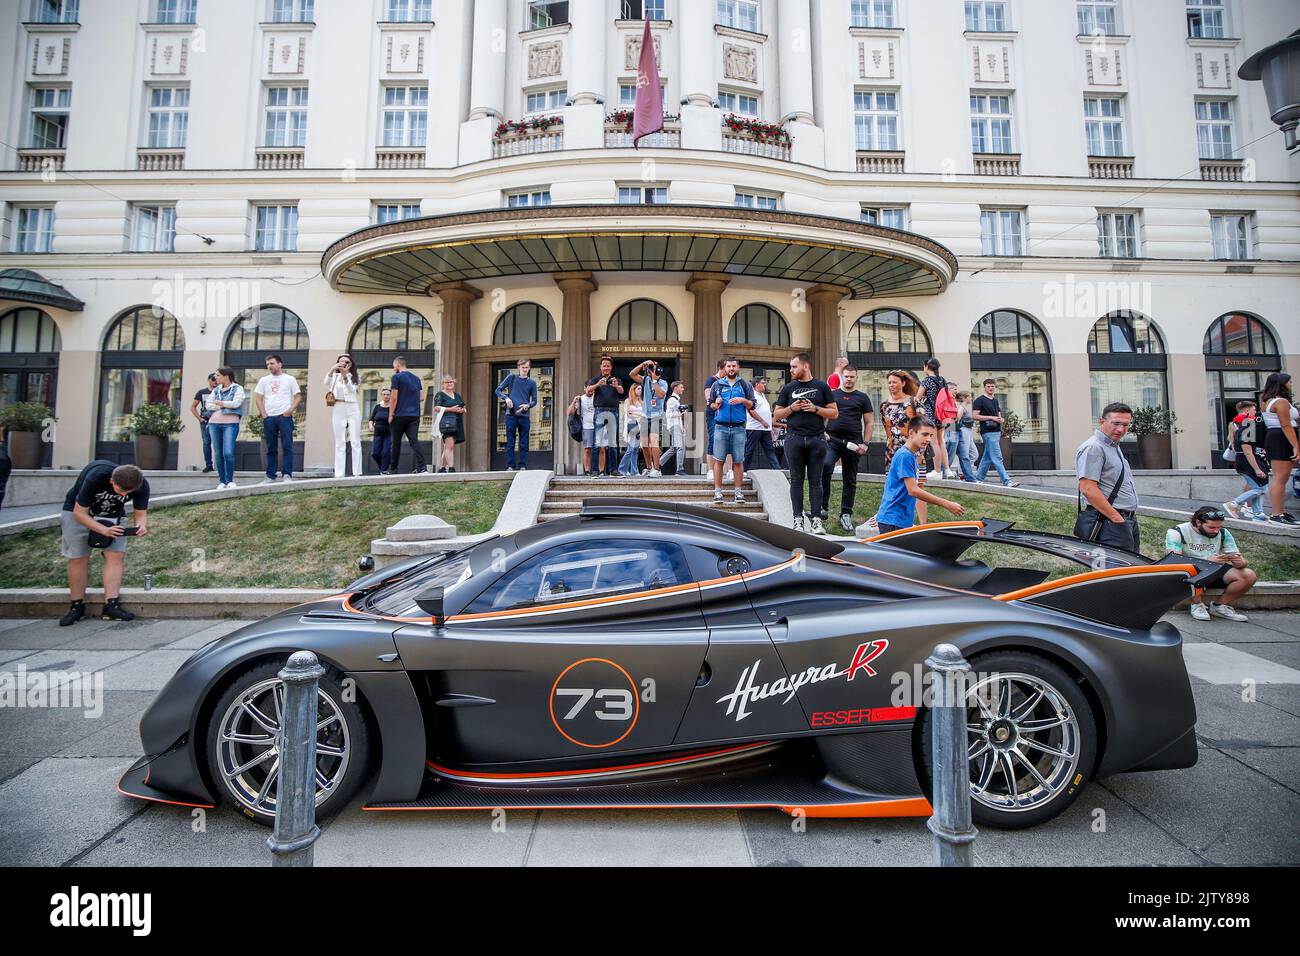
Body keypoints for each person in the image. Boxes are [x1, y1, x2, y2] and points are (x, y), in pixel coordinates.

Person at [58, 461, 150, 626]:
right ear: (112, 481)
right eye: (121, 491)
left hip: (113, 514)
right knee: (79, 557)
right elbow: (79, 513)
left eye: (129, 492)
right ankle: (76, 606)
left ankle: (111, 605)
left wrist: (141, 525)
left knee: (115, 556)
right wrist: (103, 530)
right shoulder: (96, 477)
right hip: (79, 511)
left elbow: (141, 513)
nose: (124, 496)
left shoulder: (141, 484)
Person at [773, 352, 837, 533]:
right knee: (796, 480)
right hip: (794, 438)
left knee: (816, 481)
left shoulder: (821, 387)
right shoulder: (788, 388)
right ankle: (798, 519)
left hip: (817, 439)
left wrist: (816, 409)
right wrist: (791, 408)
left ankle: (816, 520)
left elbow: (834, 413)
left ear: (805, 366)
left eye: (794, 366)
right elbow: (777, 415)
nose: (791, 370)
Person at [874, 418, 967, 534]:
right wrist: (946, 504)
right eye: (925, 434)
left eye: (931, 435)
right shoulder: (905, 456)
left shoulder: (912, 455)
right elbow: (913, 490)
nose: (928, 439)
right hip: (893, 521)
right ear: (911, 433)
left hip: (900, 520)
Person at [1165, 506, 1257, 622]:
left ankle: (1219, 606)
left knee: (1248, 575)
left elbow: (1240, 558)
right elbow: (1174, 561)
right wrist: (1206, 561)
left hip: (1214, 569)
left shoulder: (1223, 532)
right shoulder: (1177, 532)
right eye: (1211, 527)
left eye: (1219, 527)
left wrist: (1240, 562)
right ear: (1198, 522)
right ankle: (1197, 605)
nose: (1216, 531)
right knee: (1189, 571)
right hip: (1190, 572)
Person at [1073, 402, 1141, 551]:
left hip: (1124, 519)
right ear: (1102, 422)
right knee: (1114, 572)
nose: (1121, 429)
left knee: (1131, 571)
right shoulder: (1094, 447)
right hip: (1110, 521)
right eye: (1116, 423)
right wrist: (1117, 519)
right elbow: (1088, 488)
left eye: (1126, 425)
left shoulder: (1113, 446)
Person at [821, 365, 874, 532]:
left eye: (852, 376)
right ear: (842, 377)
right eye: (846, 376)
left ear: (856, 377)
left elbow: (869, 422)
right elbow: (823, 415)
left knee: (849, 479)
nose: (849, 379)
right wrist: (822, 432)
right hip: (833, 440)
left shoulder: (863, 397)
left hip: (854, 443)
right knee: (826, 467)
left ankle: (846, 514)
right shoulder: (833, 395)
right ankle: (823, 508)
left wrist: (865, 443)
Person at [708, 357, 755, 504]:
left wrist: (743, 401)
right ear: (725, 368)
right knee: (719, 460)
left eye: (733, 366)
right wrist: (716, 404)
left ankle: (738, 493)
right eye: (728, 366)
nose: (731, 369)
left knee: (738, 461)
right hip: (720, 427)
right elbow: (710, 406)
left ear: (738, 367)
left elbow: (753, 405)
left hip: (739, 428)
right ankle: (717, 492)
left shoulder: (745, 385)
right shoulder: (717, 385)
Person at [254, 353, 301, 483]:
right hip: (269, 417)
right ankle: (270, 475)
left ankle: (287, 474)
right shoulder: (264, 380)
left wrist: (290, 410)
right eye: (268, 364)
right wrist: (264, 414)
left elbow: (298, 396)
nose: (269, 366)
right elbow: (258, 398)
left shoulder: (289, 379)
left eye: (272, 363)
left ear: (280, 364)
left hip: (284, 416)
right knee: (271, 447)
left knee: (287, 446)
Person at [1260, 372, 1298, 526]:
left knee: (1279, 478)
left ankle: (1280, 512)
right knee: (1280, 478)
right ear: (1281, 384)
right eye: (1289, 382)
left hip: (1275, 437)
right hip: (1282, 438)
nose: (1291, 384)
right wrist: (1296, 446)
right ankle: (1277, 514)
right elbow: (1286, 424)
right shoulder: (1280, 402)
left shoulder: (1267, 401)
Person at [1223, 400, 1270, 521]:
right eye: (1254, 410)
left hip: (1244, 460)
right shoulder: (1248, 423)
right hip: (1248, 460)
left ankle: (1258, 513)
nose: (1256, 412)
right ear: (1247, 410)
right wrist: (1257, 469)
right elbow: (1247, 449)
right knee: (1260, 488)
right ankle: (1234, 504)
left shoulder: (1237, 424)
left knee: (1259, 486)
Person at [972, 378, 1018, 487]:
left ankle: (978, 478)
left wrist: (1001, 420)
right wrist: (991, 418)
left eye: (992, 386)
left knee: (987, 458)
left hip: (997, 431)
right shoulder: (980, 400)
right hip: (988, 432)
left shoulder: (995, 400)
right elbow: (974, 416)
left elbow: (999, 416)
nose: (991, 388)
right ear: (984, 387)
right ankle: (1007, 481)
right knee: (997, 457)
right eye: (988, 386)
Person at [494, 358, 538, 471]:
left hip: (524, 416)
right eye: (523, 367)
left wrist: (528, 405)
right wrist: (506, 398)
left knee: (524, 443)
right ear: (518, 367)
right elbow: (498, 390)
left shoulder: (532, 383)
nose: (525, 370)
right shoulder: (511, 378)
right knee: (510, 442)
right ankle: (511, 465)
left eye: (527, 367)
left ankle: (522, 465)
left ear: (529, 368)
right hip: (511, 415)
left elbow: (535, 400)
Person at [205, 366, 245, 490]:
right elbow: (208, 404)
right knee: (217, 453)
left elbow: (236, 403)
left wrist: (220, 403)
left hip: (231, 423)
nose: (215, 377)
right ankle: (222, 481)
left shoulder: (238, 388)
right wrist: (223, 406)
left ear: (226, 376)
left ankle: (230, 480)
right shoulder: (216, 390)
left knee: (228, 452)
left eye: (218, 375)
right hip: (214, 423)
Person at [324, 353, 362, 478]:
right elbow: (325, 382)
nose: (343, 364)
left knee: (355, 440)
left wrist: (346, 377)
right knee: (339, 441)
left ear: (351, 364)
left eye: (346, 362)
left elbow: (352, 390)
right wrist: (332, 369)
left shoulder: (355, 376)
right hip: (338, 407)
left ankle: (357, 472)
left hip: (352, 407)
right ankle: (339, 474)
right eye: (341, 361)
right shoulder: (334, 375)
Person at [586, 355, 624, 478]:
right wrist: (597, 384)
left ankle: (613, 470)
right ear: (601, 367)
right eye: (604, 366)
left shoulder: (616, 379)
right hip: (599, 410)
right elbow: (588, 391)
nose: (606, 368)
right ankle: (595, 471)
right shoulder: (595, 379)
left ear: (611, 367)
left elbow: (622, 391)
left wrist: (616, 386)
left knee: (613, 442)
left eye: (608, 366)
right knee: (597, 441)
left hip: (613, 410)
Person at [388, 355, 428, 474]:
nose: (393, 368)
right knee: (414, 440)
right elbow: (421, 397)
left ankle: (393, 469)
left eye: (394, 366)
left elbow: (394, 397)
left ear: (398, 365)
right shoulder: (416, 378)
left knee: (396, 442)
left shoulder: (396, 377)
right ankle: (423, 467)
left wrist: (390, 414)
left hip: (399, 414)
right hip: (414, 415)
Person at [631, 359, 668, 477]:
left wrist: (655, 381)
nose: (651, 370)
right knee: (644, 444)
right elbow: (632, 374)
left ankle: (657, 469)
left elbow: (661, 395)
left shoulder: (663, 383)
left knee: (654, 442)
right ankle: (648, 467)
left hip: (656, 416)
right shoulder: (645, 380)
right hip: (645, 415)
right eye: (650, 368)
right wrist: (642, 364)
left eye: (653, 368)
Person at [918, 358, 952, 479]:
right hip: (941, 415)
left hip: (930, 415)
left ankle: (937, 471)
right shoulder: (942, 380)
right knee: (941, 442)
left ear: (927, 366)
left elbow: (917, 398)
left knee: (934, 443)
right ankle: (948, 470)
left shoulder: (926, 381)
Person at [744, 377, 780, 471]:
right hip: (754, 428)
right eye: (763, 383)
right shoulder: (752, 395)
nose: (765, 385)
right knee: (749, 450)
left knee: (770, 449)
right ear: (756, 384)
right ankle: (743, 470)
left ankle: (777, 469)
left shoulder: (762, 395)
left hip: (765, 429)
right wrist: (762, 421)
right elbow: (751, 411)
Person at [433, 375, 466, 473]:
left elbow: (463, 406)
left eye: (451, 382)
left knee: (448, 446)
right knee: (449, 446)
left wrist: (462, 410)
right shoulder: (440, 394)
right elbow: (436, 408)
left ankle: (442, 468)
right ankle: (451, 468)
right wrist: (451, 409)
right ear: (443, 384)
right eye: (447, 382)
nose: (449, 384)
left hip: (457, 423)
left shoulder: (457, 395)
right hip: (446, 423)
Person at [702, 358, 726, 481]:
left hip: (726, 414)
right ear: (722, 368)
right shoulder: (712, 380)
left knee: (727, 440)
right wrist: (716, 400)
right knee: (713, 439)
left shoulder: (730, 382)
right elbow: (707, 396)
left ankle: (729, 470)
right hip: (713, 413)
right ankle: (710, 470)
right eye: (728, 367)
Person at [190, 372, 217, 473]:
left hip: (218, 420)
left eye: (216, 379)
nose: (215, 382)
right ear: (209, 380)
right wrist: (200, 419)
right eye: (213, 379)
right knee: (206, 443)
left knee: (218, 443)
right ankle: (208, 465)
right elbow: (193, 407)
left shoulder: (220, 391)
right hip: (205, 421)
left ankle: (220, 465)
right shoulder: (201, 392)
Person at [567, 389, 597, 476]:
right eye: (588, 389)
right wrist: (574, 401)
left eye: (591, 389)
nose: (590, 391)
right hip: (586, 427)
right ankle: (587, 470)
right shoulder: (581, 399)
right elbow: (570, 412)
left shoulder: (597, 397)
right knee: (587, 449)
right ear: (585, 388)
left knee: (601, 449)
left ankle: (601, 471)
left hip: (598, 426)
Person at [951, 389, 978, 481]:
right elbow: (957, 419)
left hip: (969, 431)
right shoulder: (961, 408)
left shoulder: (965, 408)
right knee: (965, 453)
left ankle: (963, 471)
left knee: (974, 454)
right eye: (969, 396)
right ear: (964, 398)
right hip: (964, 430)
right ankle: (963, 472)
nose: (971, 398)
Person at [661, 381, 687, 476]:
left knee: (674, 448)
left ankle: (658, 464)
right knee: (680, 447)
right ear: (676, 388)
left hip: (675, 426)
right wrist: (681, 413)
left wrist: (682, 426)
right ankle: (679, 469)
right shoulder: (672, 400)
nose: (683, 389)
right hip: (674, 426)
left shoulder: (675, 400)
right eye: (681, 387)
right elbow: (668, 414)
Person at [618, 384, 644, 476]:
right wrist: (639, 414)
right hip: (631, 425)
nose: (640, 390)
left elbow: (644, 414)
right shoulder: (628, 401)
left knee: (635, 450)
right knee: (630, 449)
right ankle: (622, 469)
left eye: (641, 389)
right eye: (638, 389)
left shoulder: (641, 401)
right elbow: (628, 414)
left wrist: (635, 413)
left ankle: (634, 471)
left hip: (640, 426)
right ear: (633, 390)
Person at [367, 387, 393, 475]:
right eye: (384, 394)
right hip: (377, 433)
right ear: (381, 396)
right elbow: (371, 419)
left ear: (390, 396)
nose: (386, 396)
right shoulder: (377, 407)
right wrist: (370, 425)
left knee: (386, 452)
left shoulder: (392, 407)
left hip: (388, 432)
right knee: (375, 453)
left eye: (388, 395)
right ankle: (382, 467)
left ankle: (384, 470)